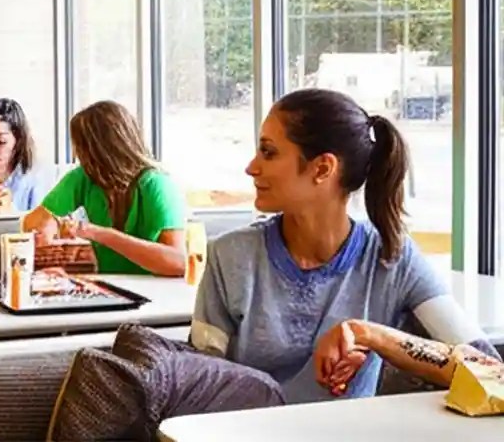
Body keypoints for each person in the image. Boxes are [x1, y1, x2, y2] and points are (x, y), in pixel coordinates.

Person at [192, 88, 498, 404]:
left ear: (323, 168)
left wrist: (371, 335)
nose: (251, 167)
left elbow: (488, 371)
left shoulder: (393, 257)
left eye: (269, 153)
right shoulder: (228, 257)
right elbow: (196, 388)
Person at [22, 101, 187, 276]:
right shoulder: (84, 178)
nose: (76, 155)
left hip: (156, 289)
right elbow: (32, 222)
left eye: (81, 147)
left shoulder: (157, 185)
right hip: (110, 287)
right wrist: (50, 226)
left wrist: (97, 233)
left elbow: (178, 263)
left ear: (103, 149)